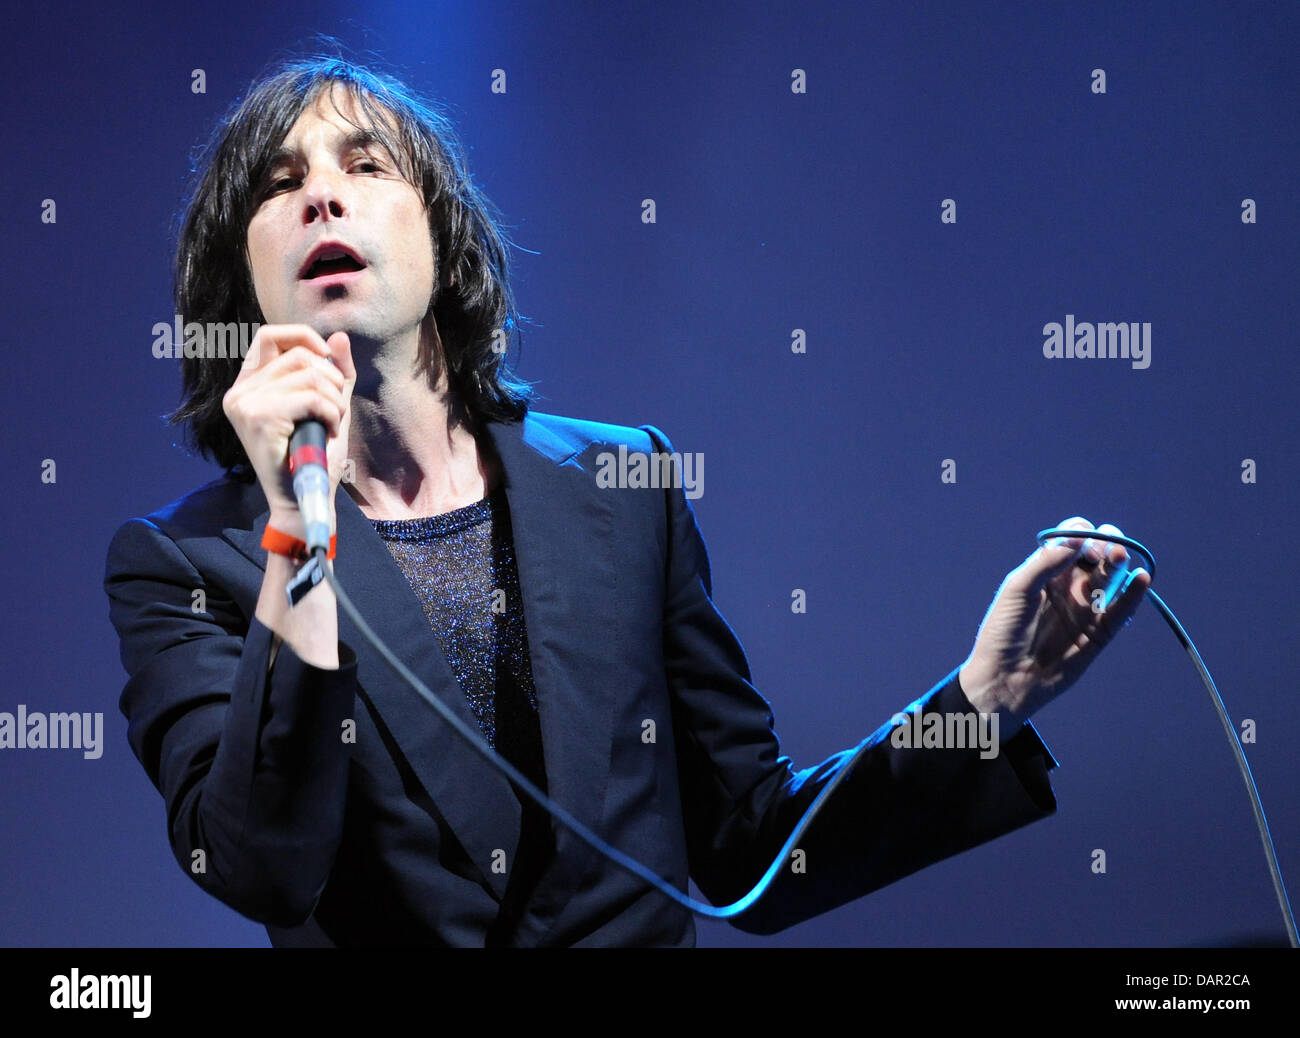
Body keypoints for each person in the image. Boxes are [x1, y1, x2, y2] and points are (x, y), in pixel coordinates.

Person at [104, 56, 1149, 947]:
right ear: (242, 282)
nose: (322, 197)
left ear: (444, 237)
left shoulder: (621, 488)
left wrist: (977, 706)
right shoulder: (188, 564)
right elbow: (261, 867)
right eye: (280, 187)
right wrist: (298, 526)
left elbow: (751, 847)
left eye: (365, 166)